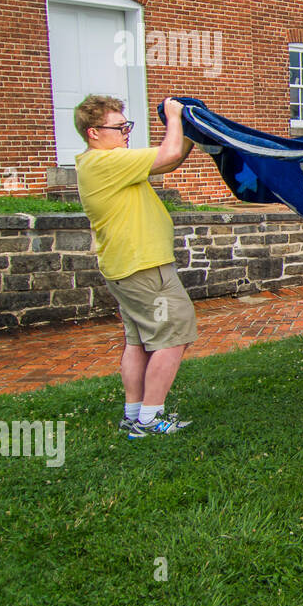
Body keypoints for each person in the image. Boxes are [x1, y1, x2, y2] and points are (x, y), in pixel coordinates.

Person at [74, 95, 198, 438]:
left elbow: (169, 161)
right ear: (93, 132)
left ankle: (134, 413)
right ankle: (149, 419)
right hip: (145, 268)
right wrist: (175, 115)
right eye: (119, 127)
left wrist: (189, 129)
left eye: (127, 125)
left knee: (140, 341)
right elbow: (168, 154)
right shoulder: (105, 162)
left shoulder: (99, 163)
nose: (126, 132)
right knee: (174, 334)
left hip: (126, 267)